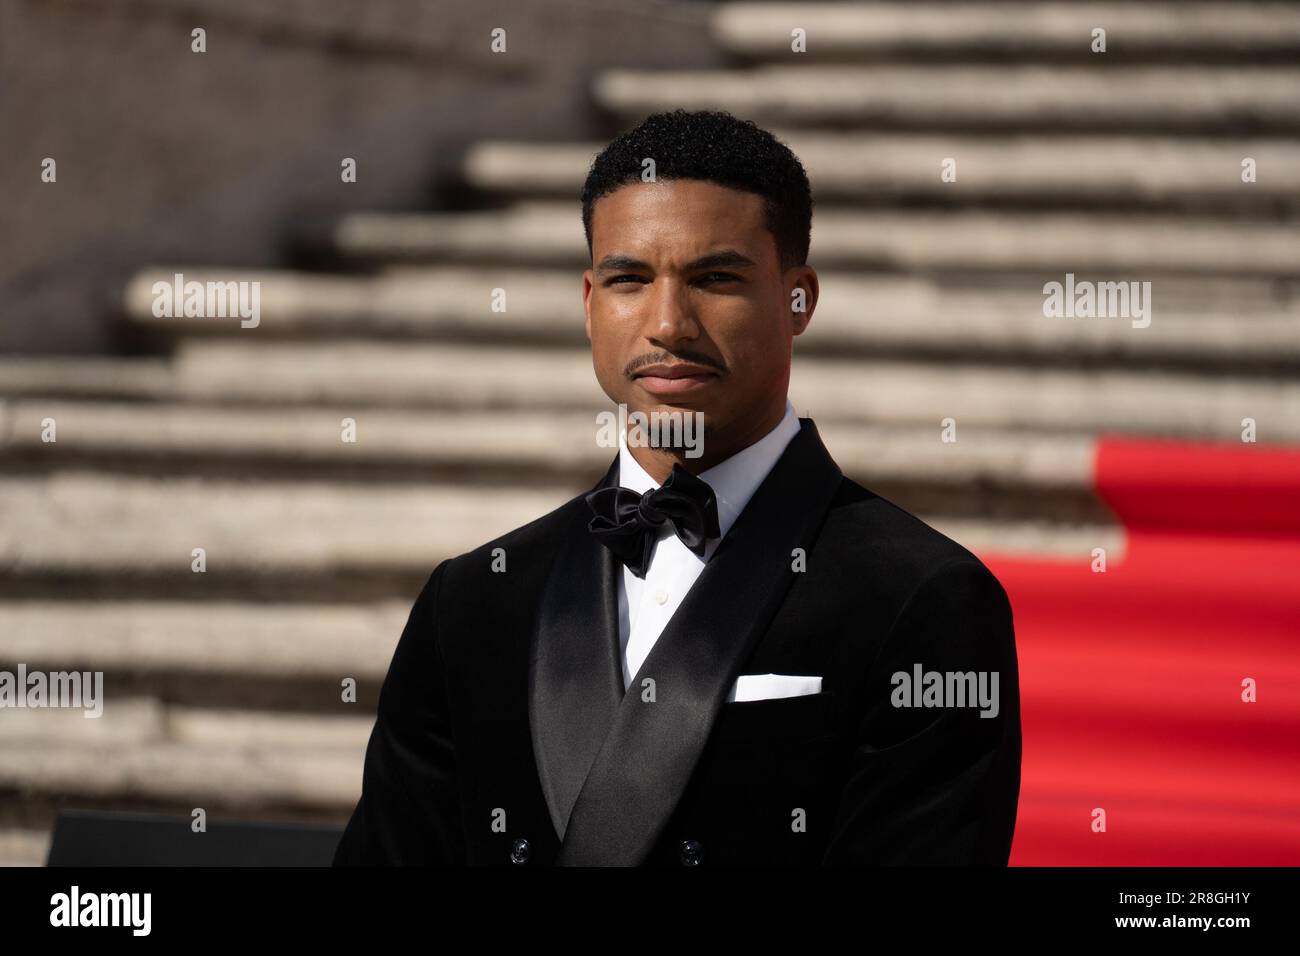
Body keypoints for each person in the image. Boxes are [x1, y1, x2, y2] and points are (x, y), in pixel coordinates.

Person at [333, 109, 1021, 866]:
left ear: (800, 301)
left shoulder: (927, 597)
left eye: (714, 278)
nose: (668, 323)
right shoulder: (471, 599)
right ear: (590, 305)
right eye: (630, 279)